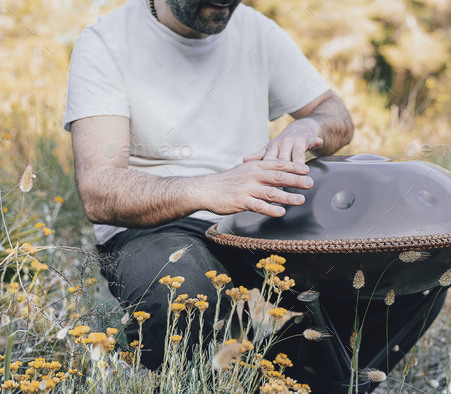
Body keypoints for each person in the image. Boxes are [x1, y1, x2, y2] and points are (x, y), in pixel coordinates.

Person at [64, 0, 353, 372]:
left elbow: (336, 113)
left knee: (400, 274)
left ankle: (282, 379)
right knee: (180, 295)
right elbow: (99, 189)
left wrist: (309, 126)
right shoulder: (105, 42)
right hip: (156, 230)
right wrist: (210, 189)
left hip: (256, 221)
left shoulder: (256, 30)